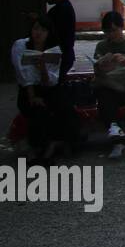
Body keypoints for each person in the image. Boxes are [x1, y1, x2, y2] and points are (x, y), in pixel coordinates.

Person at [11, 14, 78, 161]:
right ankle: (37, 148)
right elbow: (22, 74)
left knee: (65, 107)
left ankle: (60, 142)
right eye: (36, 29)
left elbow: (51, 81)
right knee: (37, 111)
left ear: (48, 33)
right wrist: (33, 96)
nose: (38, 33)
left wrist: (43, 69)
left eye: (43, 30)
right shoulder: (20, 45)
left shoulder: (53, 50)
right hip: (28, 90)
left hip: (47, 87)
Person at [93, 11, 125, 159]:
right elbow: (97, 71)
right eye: (107, 31)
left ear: (121, 28)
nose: (111, 34)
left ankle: (117, 138)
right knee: (105, 94)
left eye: (114, 30)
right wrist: (102, 65)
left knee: (106, 96)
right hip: (107, 84)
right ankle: (118, 139)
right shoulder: (102, 45)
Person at [42, 0, 77, 83]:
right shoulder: (64, 7)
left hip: (61, 53)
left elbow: (54, 30)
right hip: (65, 53)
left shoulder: (61, 10)